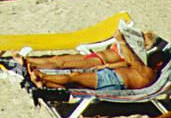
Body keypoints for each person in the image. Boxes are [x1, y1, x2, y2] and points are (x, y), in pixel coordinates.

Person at [19, 28, 162, 92]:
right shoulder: (142, 68)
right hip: (112, 75)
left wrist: (122, 41)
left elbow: (133, 63)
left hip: (114, 80)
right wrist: (108, 66)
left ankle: (42, 76)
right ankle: (42, 82)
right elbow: (129, 65)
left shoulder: (148, 73)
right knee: (74, 82)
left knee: (74, 76)